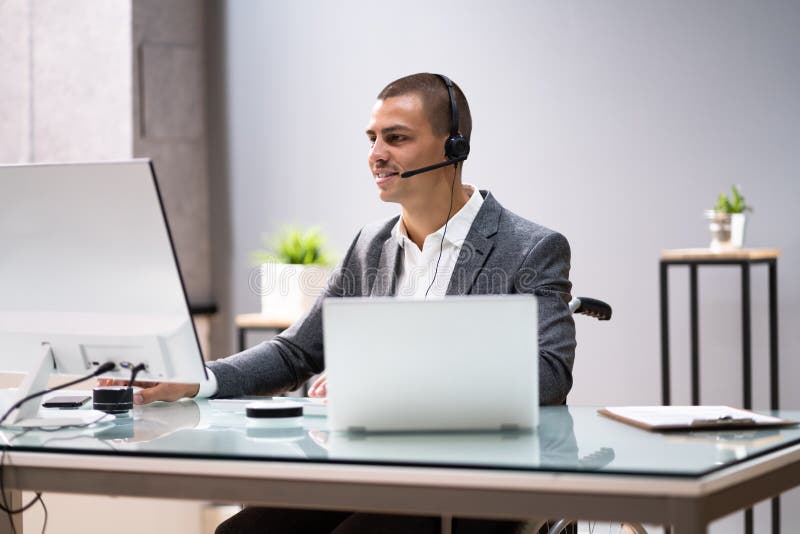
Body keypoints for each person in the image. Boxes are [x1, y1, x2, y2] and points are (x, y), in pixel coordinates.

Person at [127, 73, 576, 533]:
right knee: (240, 532)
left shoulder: (530, 247)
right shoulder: (371, 245)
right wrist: (198, 379)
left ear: (453, 146)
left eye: (396, 138)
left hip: (477, 479)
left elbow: (550, 375)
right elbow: (297, 351)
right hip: (372, 469)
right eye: (372, 138)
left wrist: (386, 380)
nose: (376, 154)